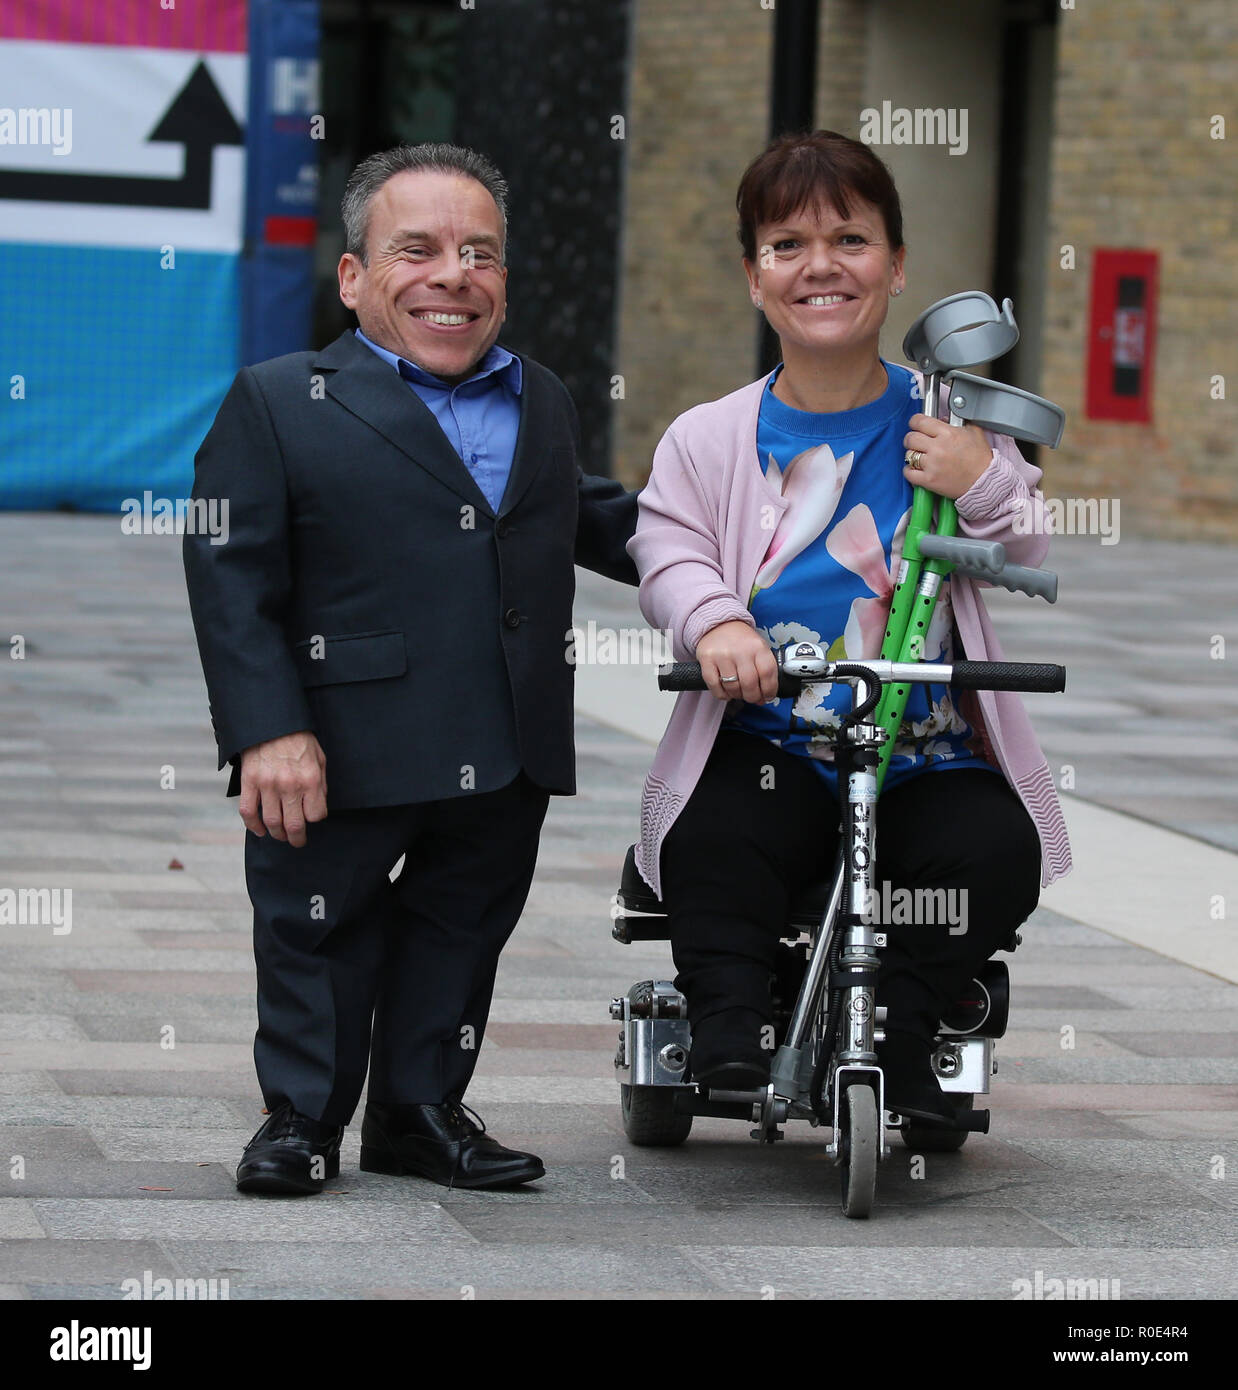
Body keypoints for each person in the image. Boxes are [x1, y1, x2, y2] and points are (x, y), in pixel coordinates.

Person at [183, 142, 638, 1194]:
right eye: (417, 249)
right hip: (336, 742)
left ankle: (419, 1113)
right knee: (316, 928)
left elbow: (595, 515)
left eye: (480, 253)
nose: (453, 274)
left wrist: (767, 553)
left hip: (502, 735)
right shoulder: (278, 399)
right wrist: (266, 728)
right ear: (352, 277)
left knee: (461, 929)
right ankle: (301, 1119)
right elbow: (228, 572)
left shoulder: (543, 397)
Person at [627, 130, 1071, 1120]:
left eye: (850, 239)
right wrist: (712, 626)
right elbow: (667, 550)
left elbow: (1028, 549)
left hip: (924, 754)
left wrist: (983, 477)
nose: (819, 265)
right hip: (771, 737)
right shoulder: (708, 436)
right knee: (716, 840)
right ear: (753, 276)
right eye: (785, 245)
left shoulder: (947, 423)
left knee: (994, 851)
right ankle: (731, 1024)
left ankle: (904, 1036)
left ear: (896, 264)